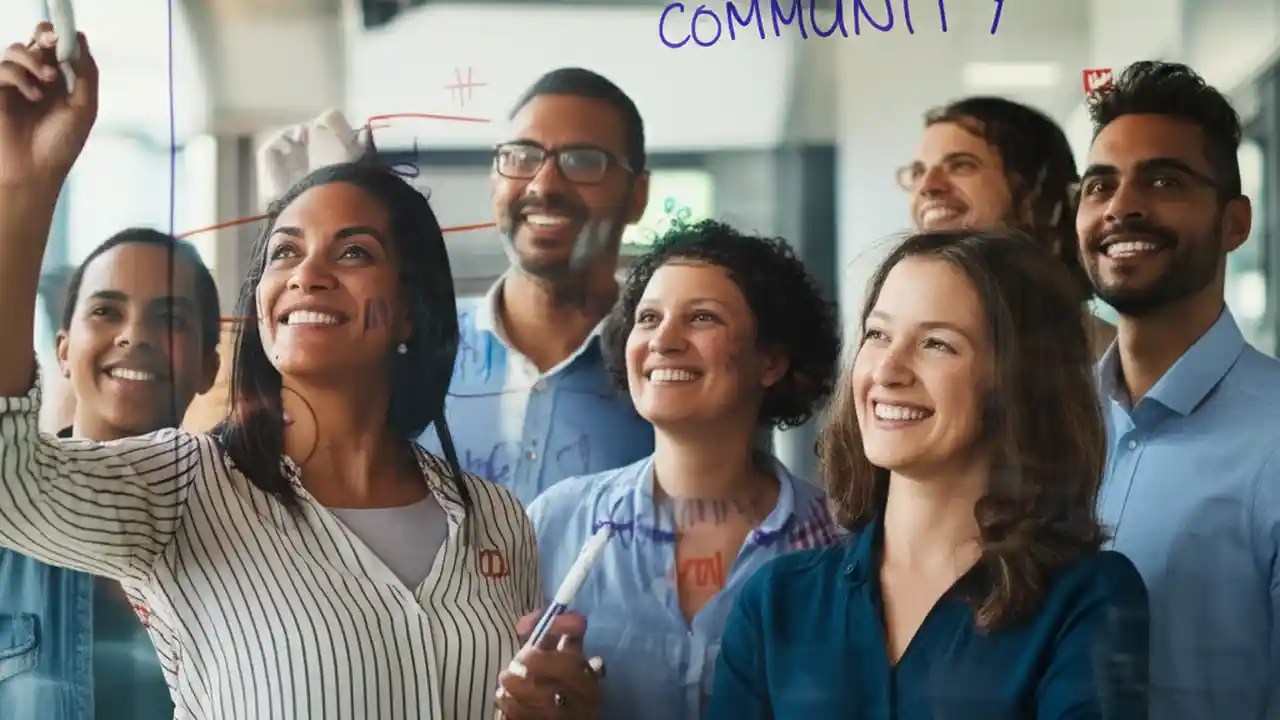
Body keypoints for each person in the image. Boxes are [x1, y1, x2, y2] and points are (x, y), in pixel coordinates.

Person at [0, 25, 595, 720]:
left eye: (353, 253)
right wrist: (23, 184)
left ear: (410, 310)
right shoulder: (187, 487)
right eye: (284, 252)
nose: (307, 274)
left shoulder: (497, 522)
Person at [707, 230, 1151, 719]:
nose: (888, 370)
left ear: (1019, 381)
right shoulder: (776, 603)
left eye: (937, 343)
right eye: (877, 335)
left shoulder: (1088, 599)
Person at [526, 219, 845, 720]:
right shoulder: (555, 523)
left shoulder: (839, 546)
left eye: (701, 317)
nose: (664, 340)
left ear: (771, 361)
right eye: (649, 318)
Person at [1078, 61, 1280, 719]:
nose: (1121, 206)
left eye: (1164, 181)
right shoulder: (1050, 426)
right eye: (1100, 185)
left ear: (1235, 223)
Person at [0, 228, 220, 719]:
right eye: (106, 311)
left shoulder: (252, 530)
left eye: (169, 318)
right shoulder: (6, 520)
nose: (134, 336)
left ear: (209, 365)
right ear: (62, 350)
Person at [418, 67, 655, 505]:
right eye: (522, 156)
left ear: (637, 195)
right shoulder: (415, 349)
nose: (544, 185)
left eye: (583, 161)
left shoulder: (665, 369)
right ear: (494, 179)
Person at [899, 96, 1118, 359]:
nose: (928, 187)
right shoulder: (893, 342)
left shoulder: (1109, 363)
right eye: (918, 172)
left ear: (1038, 196)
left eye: (961, 165)